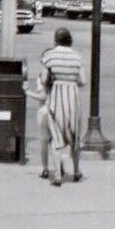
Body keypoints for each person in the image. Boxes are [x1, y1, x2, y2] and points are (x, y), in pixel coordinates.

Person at [36, 27, 85, 186]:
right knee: (74, 136)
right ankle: (76, 171)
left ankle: (57, 175)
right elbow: (82, 81)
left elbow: (44, 79)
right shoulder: (77, 57)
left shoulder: (49, 56)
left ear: (55, 40)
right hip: (73, 98)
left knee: (56, 138)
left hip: (56, 97)